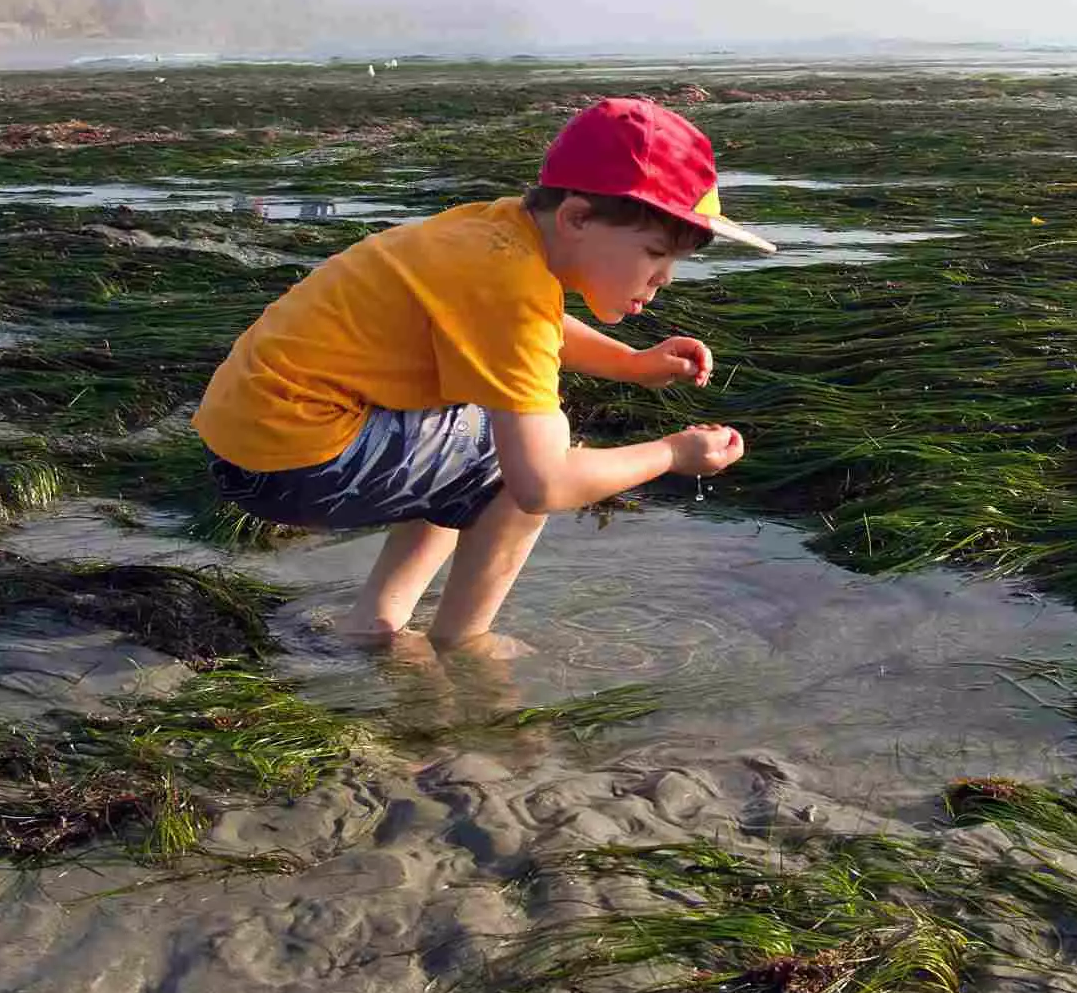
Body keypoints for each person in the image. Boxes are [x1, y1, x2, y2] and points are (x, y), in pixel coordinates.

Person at [193, 97, 777, 657]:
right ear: (577, 217)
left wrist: (631, 363)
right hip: (296, 460)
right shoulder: (510, 285)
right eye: (655, 254)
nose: (664, 279)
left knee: (469, 435)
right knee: (509, 464)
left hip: (257, 440)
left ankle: (374, 625)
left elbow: (532, 327)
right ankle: (463, 642)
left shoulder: (496, 234)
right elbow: (542, 486)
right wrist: (673, 454)